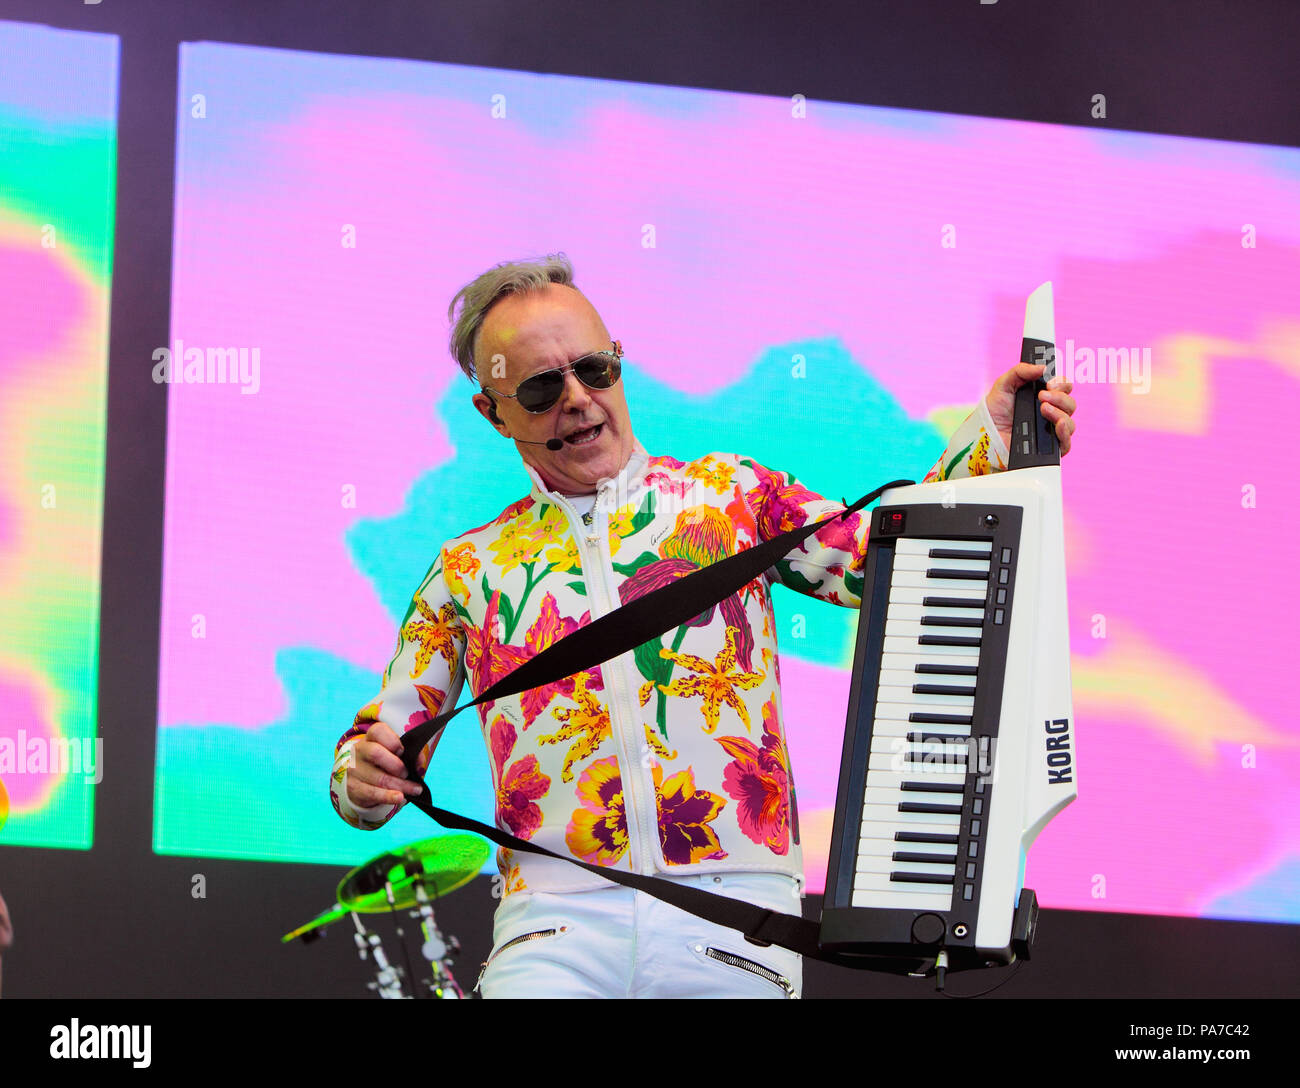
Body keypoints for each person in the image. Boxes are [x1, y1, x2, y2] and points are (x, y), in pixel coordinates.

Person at [328, 254, 1077, 998]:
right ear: (492, 412)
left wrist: (994, 440)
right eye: (539, 387)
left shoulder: (730, 496)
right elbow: (373, 754)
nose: (580, 399)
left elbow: (888, 560)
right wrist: (363, 780)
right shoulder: (468, 569)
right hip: (551, 924)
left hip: (736, 915)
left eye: (594, 369)